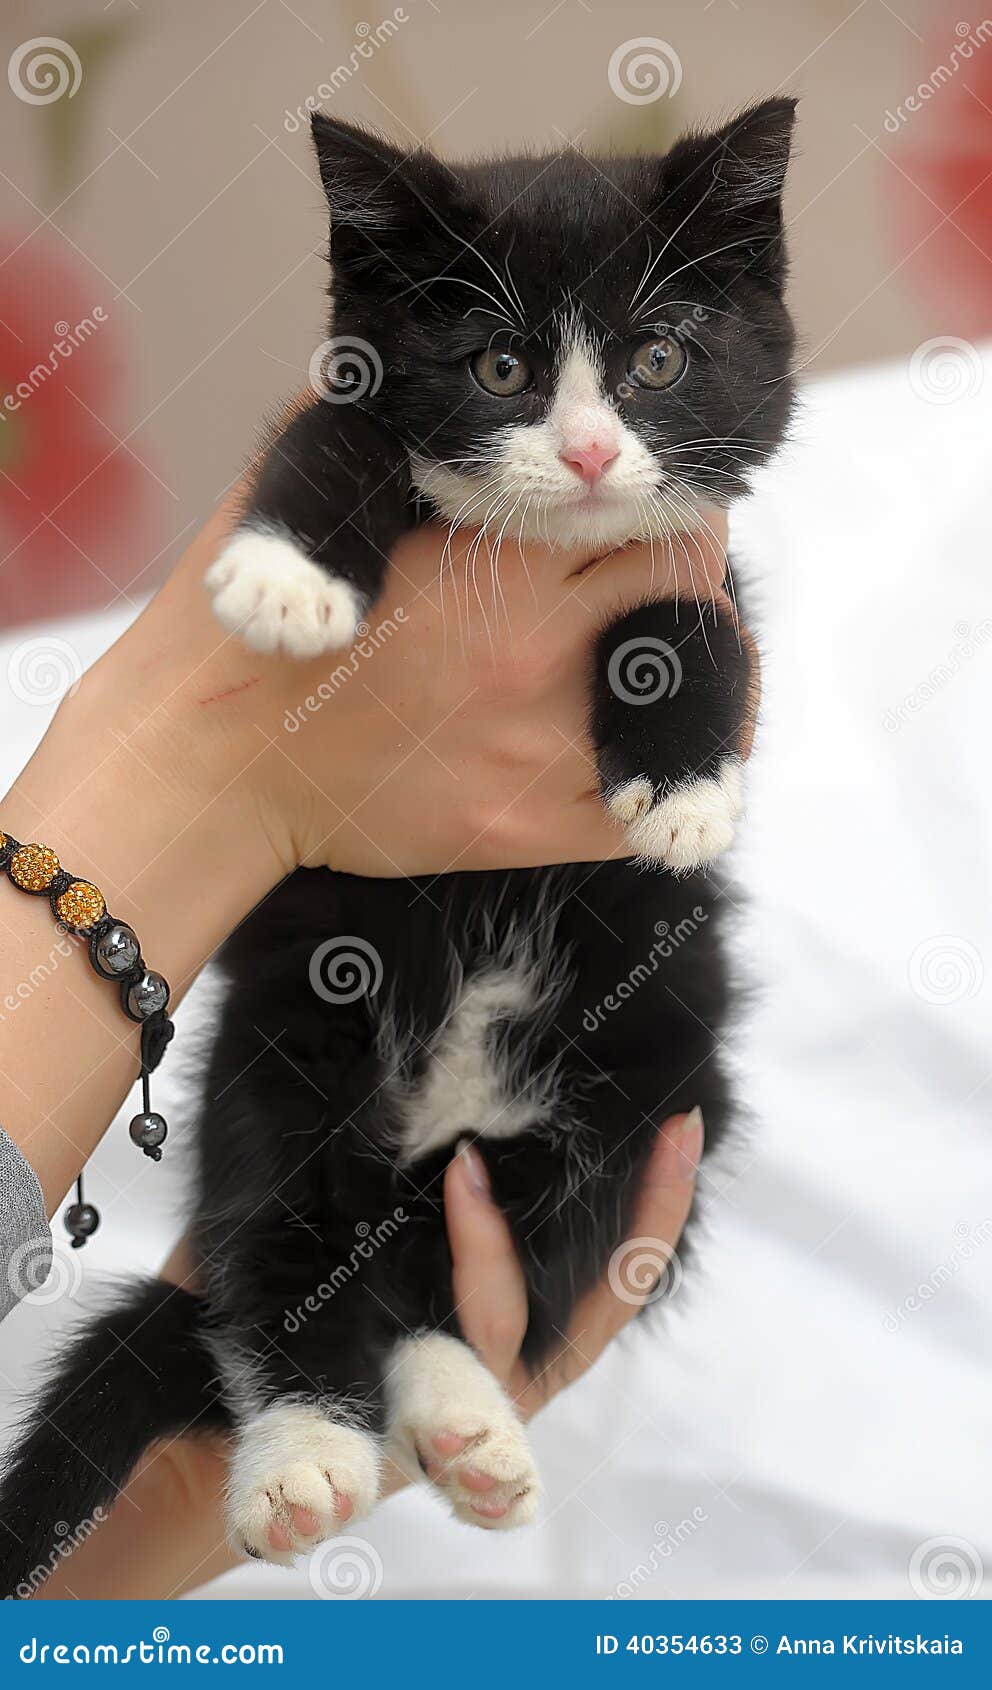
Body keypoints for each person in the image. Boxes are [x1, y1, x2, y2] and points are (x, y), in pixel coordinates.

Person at [0, 473, 747, 1595]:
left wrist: (177, 1510)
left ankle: (393, 1358)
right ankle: (333, 1374)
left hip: (541, 1111)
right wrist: (209, 765)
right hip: (358, 1018)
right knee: (293, 1094)